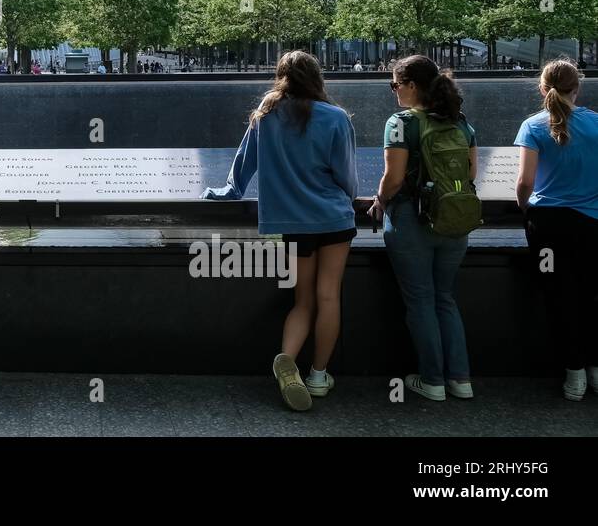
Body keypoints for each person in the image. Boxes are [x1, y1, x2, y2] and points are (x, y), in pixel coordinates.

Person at [204, 50, 358, 412]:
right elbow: (347, 177)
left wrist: (229, 192)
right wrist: (350, 201)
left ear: (281, 77)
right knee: (329, 297)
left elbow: (243, 165)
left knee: (302, 300)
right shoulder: (336, 118)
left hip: (292, 222)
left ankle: (287, 357)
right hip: (334, 220)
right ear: (316, 77)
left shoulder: (266, 117)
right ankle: (318, 375)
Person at [367, 55, 476, 402]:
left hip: (411, 221)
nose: (394, 91)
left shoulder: (399, 123)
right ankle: (460, 379)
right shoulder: (461, 122)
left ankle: (432, 381)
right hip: (454, 220)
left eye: (395, 85)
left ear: (411, 85)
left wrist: (380, 201)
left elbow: (394, 178)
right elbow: (471, 175)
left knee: (420, 301)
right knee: (445, 297)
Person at [514, 58, 598, 400]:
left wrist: (525, 208)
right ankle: (595, 370)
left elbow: (525, 182)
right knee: (591, 295)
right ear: (577, 88)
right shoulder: (596, 123)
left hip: (547, 226)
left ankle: (573, 375)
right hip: (592, 223)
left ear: (542, 87)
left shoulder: (533, 126)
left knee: (559, 296)